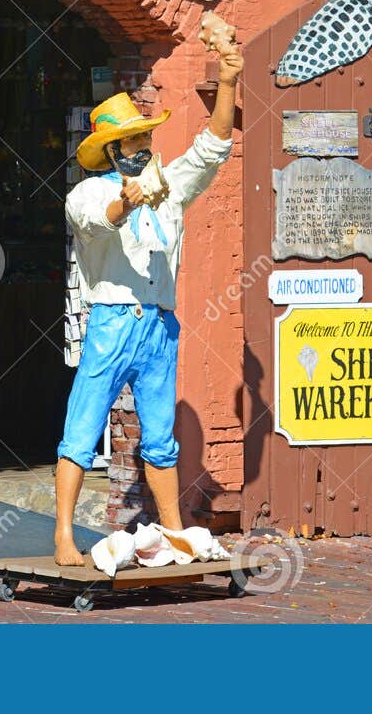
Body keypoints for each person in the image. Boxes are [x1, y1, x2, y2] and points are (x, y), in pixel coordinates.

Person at [54, 34, 242, 566]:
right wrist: (125, 199)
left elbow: (213, 146)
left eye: (144, 141)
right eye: (133, 144)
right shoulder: (88, 192)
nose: (142, 150)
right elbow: (96, 220)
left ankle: (175, 530)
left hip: (159, 325)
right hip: (113, 321)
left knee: (160, 435)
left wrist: (227, 81)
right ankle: (64, 534)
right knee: (82, 426)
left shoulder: (169, 185)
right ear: (112, 153)